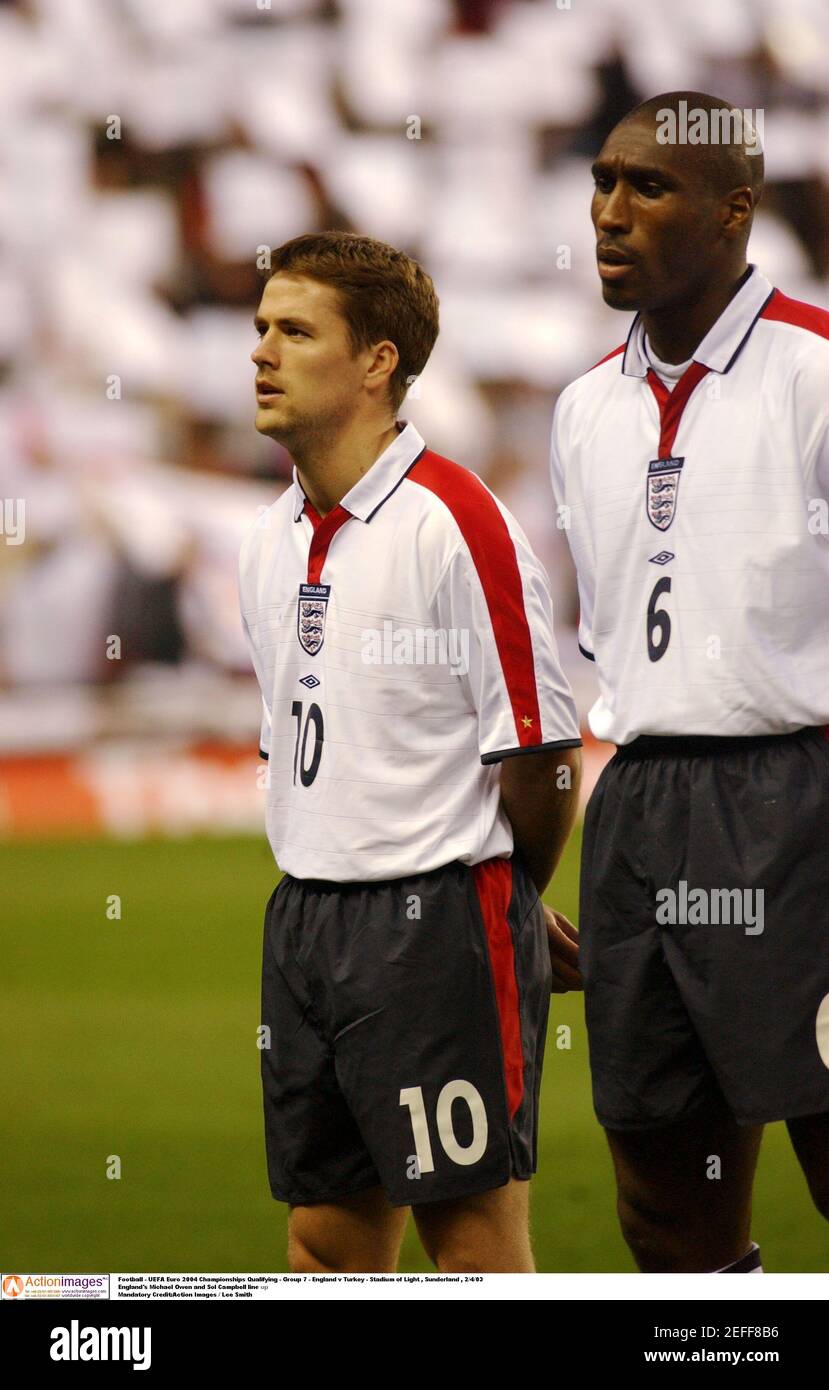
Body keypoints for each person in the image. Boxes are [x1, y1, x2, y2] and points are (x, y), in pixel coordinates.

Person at [239, 231, 583, 1273]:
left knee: (471, 1248)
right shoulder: (266, 537)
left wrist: (508, 901)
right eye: (261, 328)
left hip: (432, 923)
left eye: (296, 331)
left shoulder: (455, 520)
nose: (261, 351)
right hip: (303, 922)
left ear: (378, 359)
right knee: (324, 1247)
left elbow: (542, 750)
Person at [550, 91, 829, 1273]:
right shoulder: (580, 409)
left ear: (734, 210)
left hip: (801, 800)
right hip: (643, 807)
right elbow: (606, 646)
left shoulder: (815, 369)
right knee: (662, 1195)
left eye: (647, 187)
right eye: (603, 181)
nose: (608, 212)